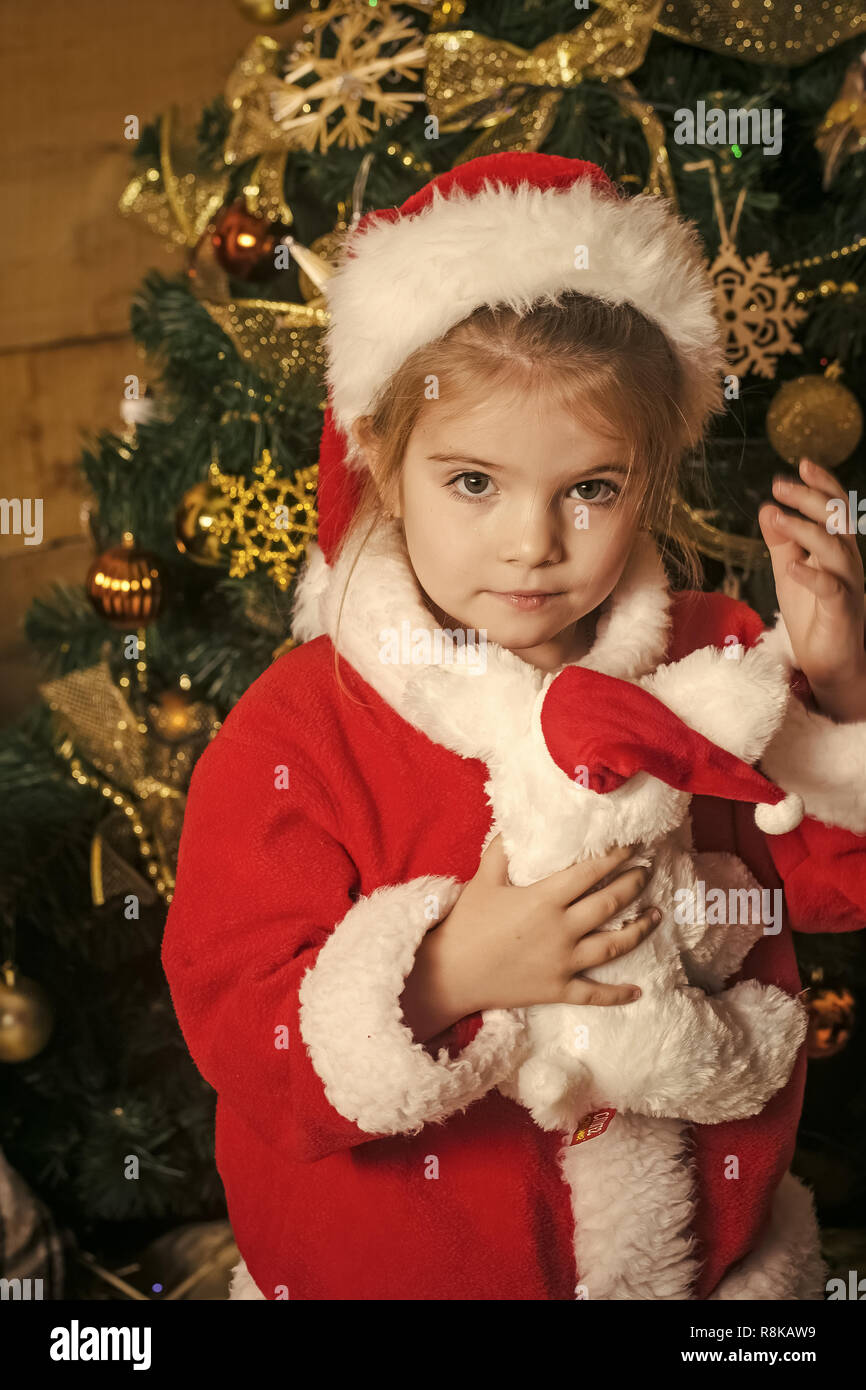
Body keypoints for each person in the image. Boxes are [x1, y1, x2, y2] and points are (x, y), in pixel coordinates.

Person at [161, 153, 866, 1301]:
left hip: (707, 1281)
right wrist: (444, 975)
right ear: (384, 462)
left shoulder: (714, 658)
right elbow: (241, 1029)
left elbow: (833, 879)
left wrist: (841, 694)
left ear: (652, 475)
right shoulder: (301, 726)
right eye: (473, 483)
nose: (532, 543)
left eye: (590, 487)